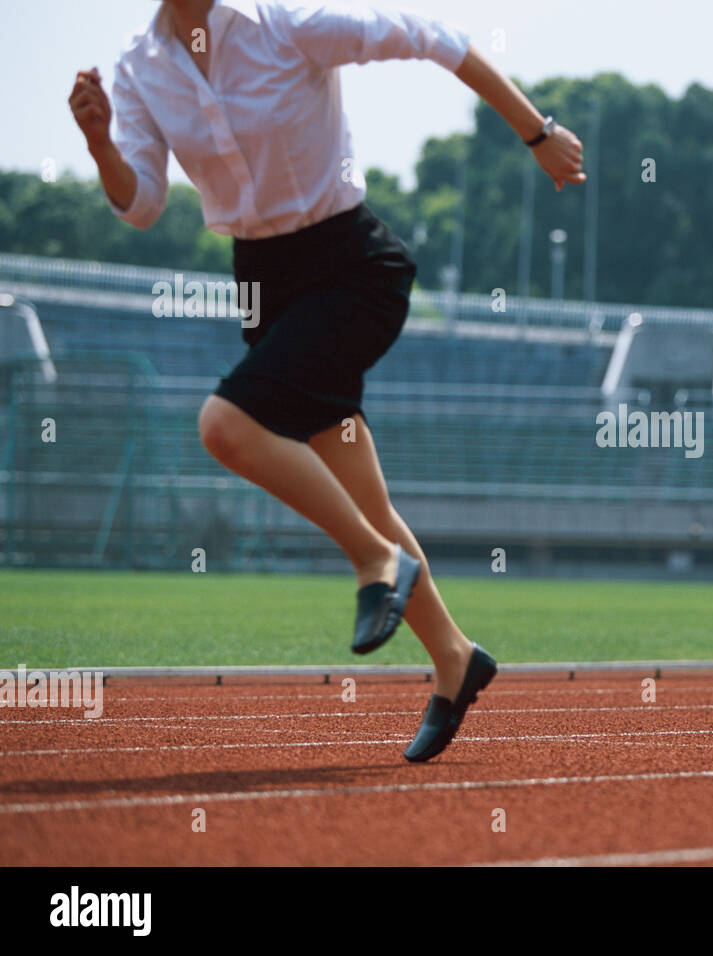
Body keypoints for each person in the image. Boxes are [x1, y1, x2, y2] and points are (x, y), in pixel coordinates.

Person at [67, 0, 586, 761]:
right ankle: (453, 656)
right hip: (264, 287)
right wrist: (98, 140)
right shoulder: (139, 67)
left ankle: (376, 563)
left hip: (351, 270)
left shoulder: (288, 23)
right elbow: (141, 203)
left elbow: (436, 40)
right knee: (366, 499)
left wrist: (537, 134)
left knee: (226, 425)